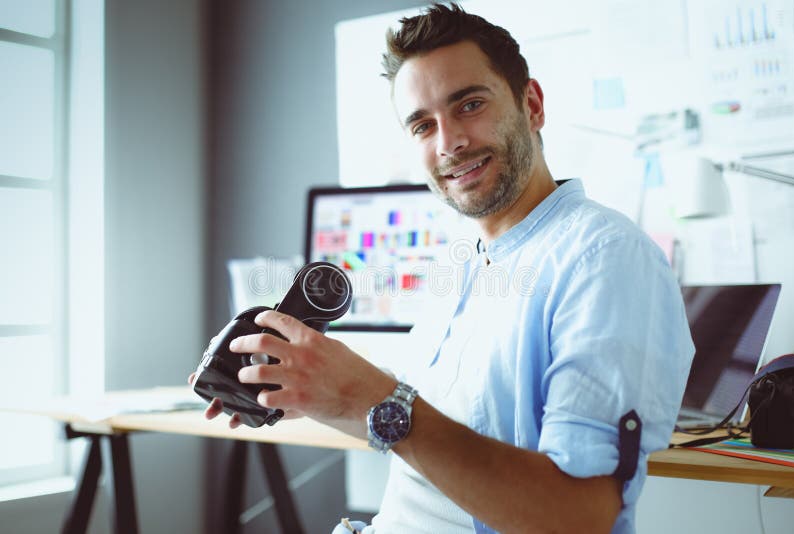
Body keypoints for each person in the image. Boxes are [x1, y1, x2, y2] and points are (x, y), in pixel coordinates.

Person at [194, 4, 694, 533]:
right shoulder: (463, 263)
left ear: (531, 105)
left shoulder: (605, 258)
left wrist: (367, 395)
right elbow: (420, 427)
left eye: (470, 105)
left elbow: (580, 517)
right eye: (422, 125)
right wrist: (321, 395)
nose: (448, 142)